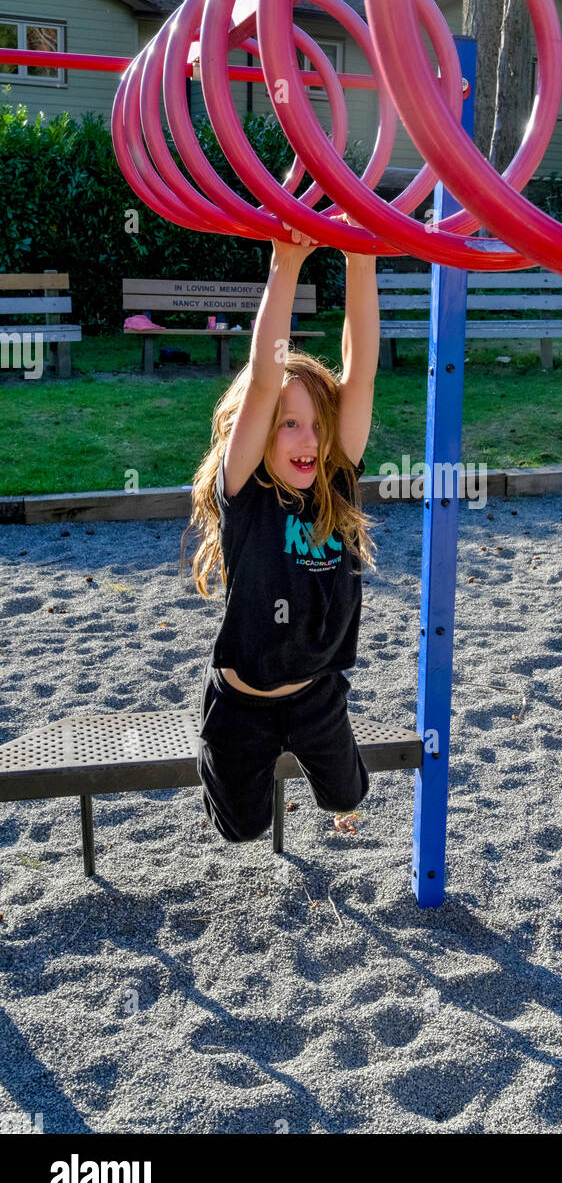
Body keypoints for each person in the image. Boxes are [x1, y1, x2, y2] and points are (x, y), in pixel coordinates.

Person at [180, 218, 379, 843]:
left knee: (350, 794)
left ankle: (332, 788)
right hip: (243, 698)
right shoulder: (247, 493)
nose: (309, 440)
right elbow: (267, 380)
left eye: (317, 424)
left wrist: (361, 257)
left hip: (317, 690)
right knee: (241, 829)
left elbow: (361, 368)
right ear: (259, 430)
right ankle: (222, 765)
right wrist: (285, 265)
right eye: (288, 424)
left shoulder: (335, 477)